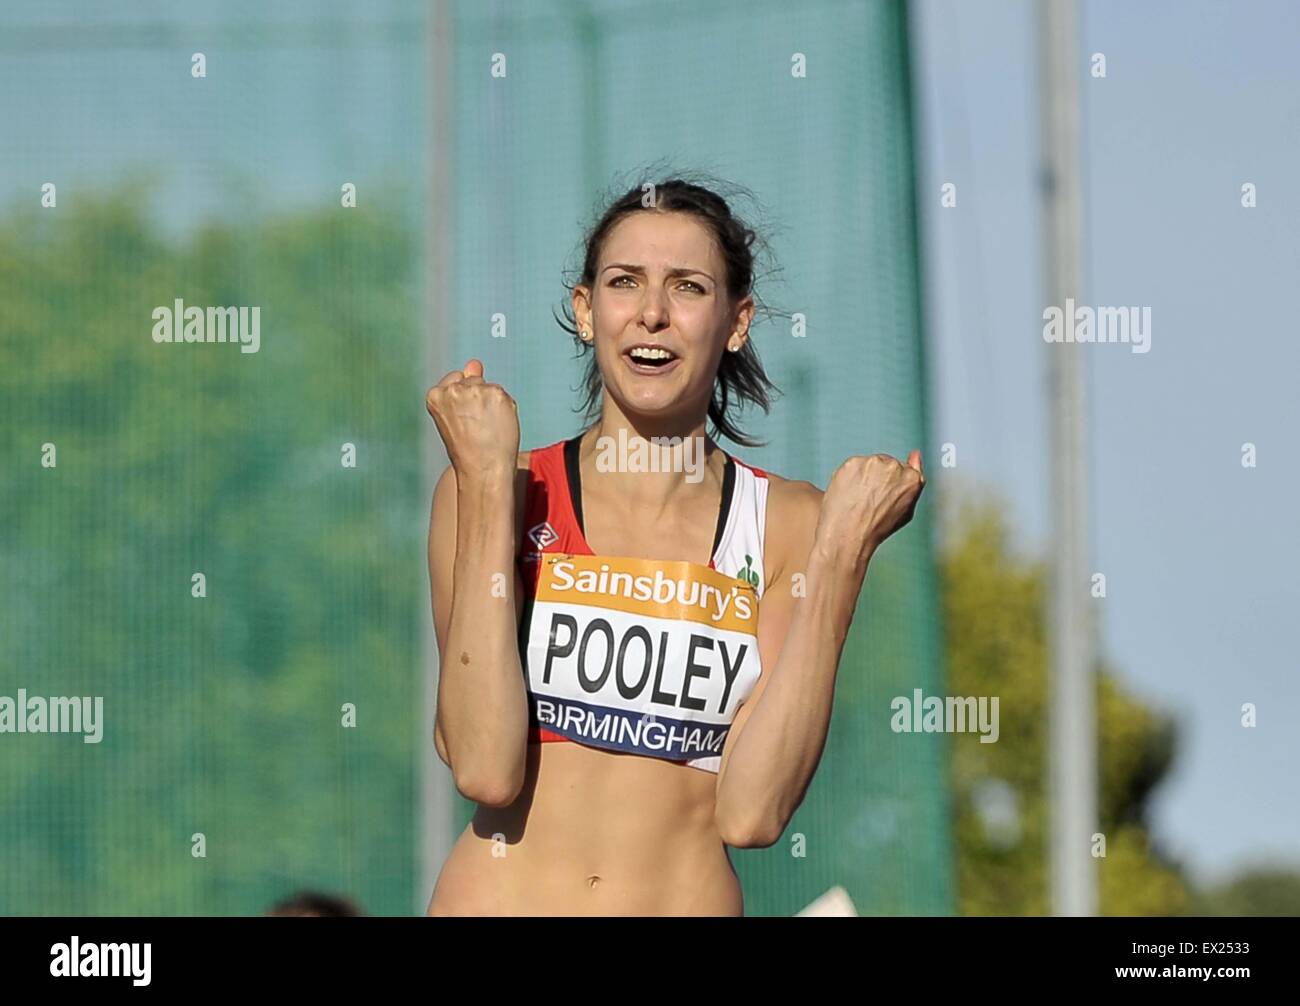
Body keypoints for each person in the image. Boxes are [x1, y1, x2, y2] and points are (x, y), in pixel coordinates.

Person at [424, 176, 925, 916]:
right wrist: (488, 486)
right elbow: (482, 764)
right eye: (625, 283)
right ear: (587, 311)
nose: (652, 315)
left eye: (688, 288)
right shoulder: (496, 486)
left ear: (736, 320)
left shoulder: (789, 523)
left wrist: (841, 559)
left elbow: (752, 813)